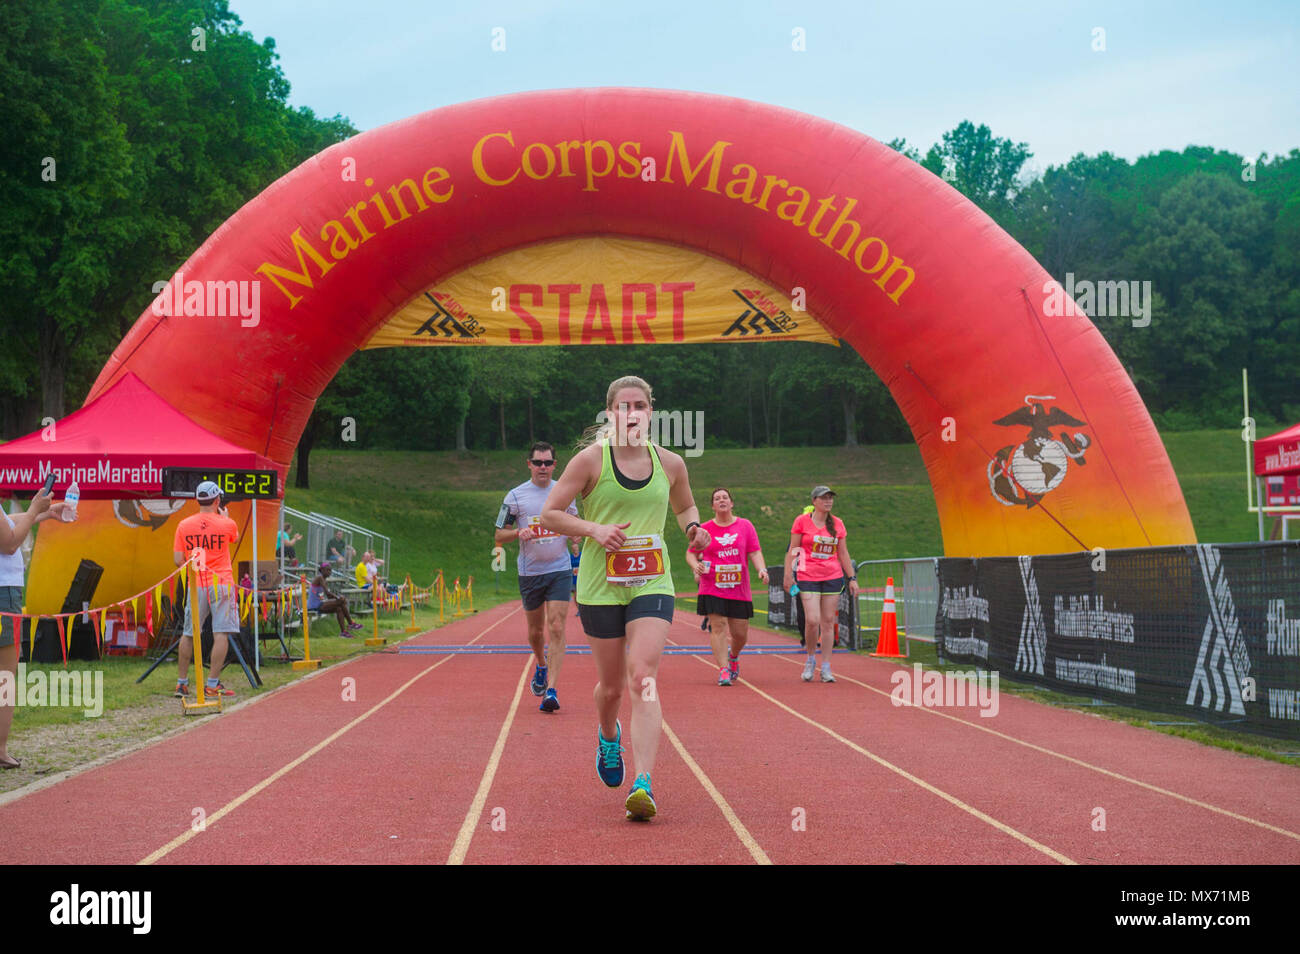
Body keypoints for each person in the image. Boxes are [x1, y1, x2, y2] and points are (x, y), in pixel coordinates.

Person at [542, 375, 711, 821]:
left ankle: (644, 782)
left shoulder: (671, 463)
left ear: (651, 411)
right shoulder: (589, 461)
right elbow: (551, 513)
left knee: (643, 676)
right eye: (624, 406)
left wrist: (694, 531)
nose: (632, 413)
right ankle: (607, 734)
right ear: (611, 413)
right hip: (601, 585)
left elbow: (685, 507)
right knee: (612, 686)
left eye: (640, 405)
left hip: (652, 582)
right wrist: (594, 530)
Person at [494, 441, 579, 713]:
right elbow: (498, 536)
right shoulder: (515, 496)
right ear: (529, 464)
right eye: (538, 462)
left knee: (556, 626)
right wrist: (518, 533)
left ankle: (551, 690)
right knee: (535, 632)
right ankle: (541, 665)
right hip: (530, 572)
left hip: (559, 568)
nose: (543, 468)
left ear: (555, 465)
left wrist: (577, 536)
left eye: (548, 463)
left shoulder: (564, 492)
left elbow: (573, 524)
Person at [0, 486, 71, 769]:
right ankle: (1, 750)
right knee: (5, 677)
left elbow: (7, 525)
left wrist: (42, 514)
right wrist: (33, 510)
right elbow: (9, 542)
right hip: (3, 592)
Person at [684, 488, 768, 686]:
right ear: (712, 506)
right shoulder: (704, 529)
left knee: (740, 634)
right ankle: (723, 669)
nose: (721, 500)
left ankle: (733, 656)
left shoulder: (745, 526)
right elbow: (690, 553)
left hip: (739, 587)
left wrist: (762, 570)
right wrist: (696, 566)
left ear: (731, 503)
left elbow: (755, 552)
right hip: (712, 585)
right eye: (717, 498)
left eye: (725, 498)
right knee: (718, 626)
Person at [172, 481, 241, 698]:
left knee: (189, 633)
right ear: (217, 500)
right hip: (222, 583)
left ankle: (182, 684)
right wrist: (225, 517)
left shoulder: (183, 525)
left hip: (197, 583)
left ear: (197, 499)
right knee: (221, 632)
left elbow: (177, 560)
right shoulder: (227, 523)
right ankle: (212, 683)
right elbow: (234, 539)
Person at [784, 486, 859, 683]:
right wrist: (788, 575)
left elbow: (843, 553)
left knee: (827, 622)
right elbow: (793, 549)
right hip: (807, 575)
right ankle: (810, 659)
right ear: (814, 501)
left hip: (832, 576)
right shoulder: (802, 522)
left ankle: (825, 666)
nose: (828, 501)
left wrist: (852, 579)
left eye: (830, 498)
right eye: (824, 498)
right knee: (812, 620)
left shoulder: (837, 524)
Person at [308, 561, 364, 637]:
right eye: (327, 570)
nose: (329, 572)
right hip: (314, 605)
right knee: (341, 601)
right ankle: (351, 623)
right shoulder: (320, 578)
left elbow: (328, 596)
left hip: (319, 603)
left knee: (339, 608)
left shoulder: (324, 579)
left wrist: (338, 598)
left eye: (330, 570)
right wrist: (338, 598)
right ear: (322, 570)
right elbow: (328, 593)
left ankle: (343, 632)